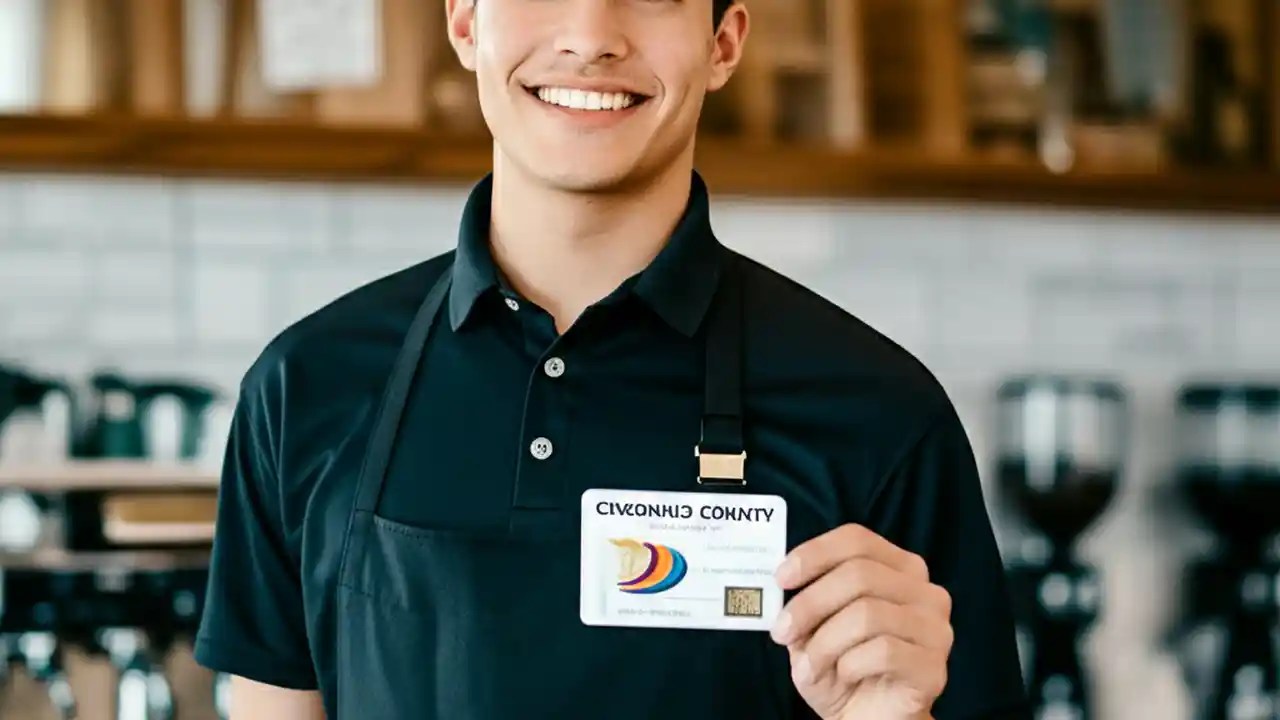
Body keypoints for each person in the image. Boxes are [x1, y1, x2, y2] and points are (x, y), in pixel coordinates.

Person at [194, 0, 1031, 718]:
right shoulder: (303, 388)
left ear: (724, 43)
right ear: (463, 19)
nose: (591, 34)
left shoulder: (882, 416)